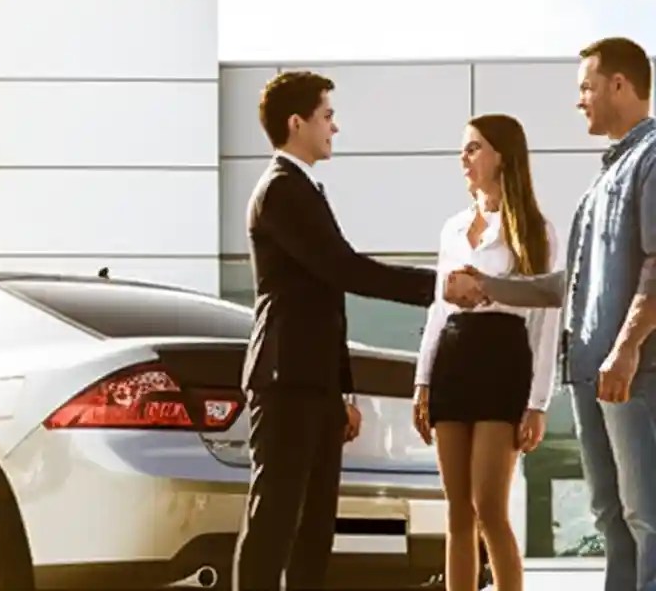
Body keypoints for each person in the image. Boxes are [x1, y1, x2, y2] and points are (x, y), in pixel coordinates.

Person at [446, 37, 656, 591]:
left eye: (586, 87)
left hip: (634, 377)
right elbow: (571, 285)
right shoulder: (601, 183)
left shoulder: (652, 160)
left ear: (620, 84)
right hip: (594, 378)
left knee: (647, 518)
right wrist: (488, 285)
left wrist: (627, 347)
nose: (579, 100)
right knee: (613, 519)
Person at [234, 70, 437, 591]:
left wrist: (340, 390)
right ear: (296, 122)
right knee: (275, 519)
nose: (335, 127)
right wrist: (438, 287)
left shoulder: (303, 188)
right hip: (285, 379)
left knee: (315, 528)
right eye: (327, 116)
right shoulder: (281, 189)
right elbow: (343, 269)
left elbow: (326, 298)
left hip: (313, 382)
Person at [413, 114, 560, 591]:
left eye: (474, 147)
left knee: (488, 508)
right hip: (453, 360)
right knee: (456, 509)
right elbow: (438, 310)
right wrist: (422, 382)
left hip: (504, 364)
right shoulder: (452, 229)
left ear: (502, 156)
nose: (464, 157)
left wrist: (537, 403)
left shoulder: (536, 231)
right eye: (464, 148)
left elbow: (545, 321)